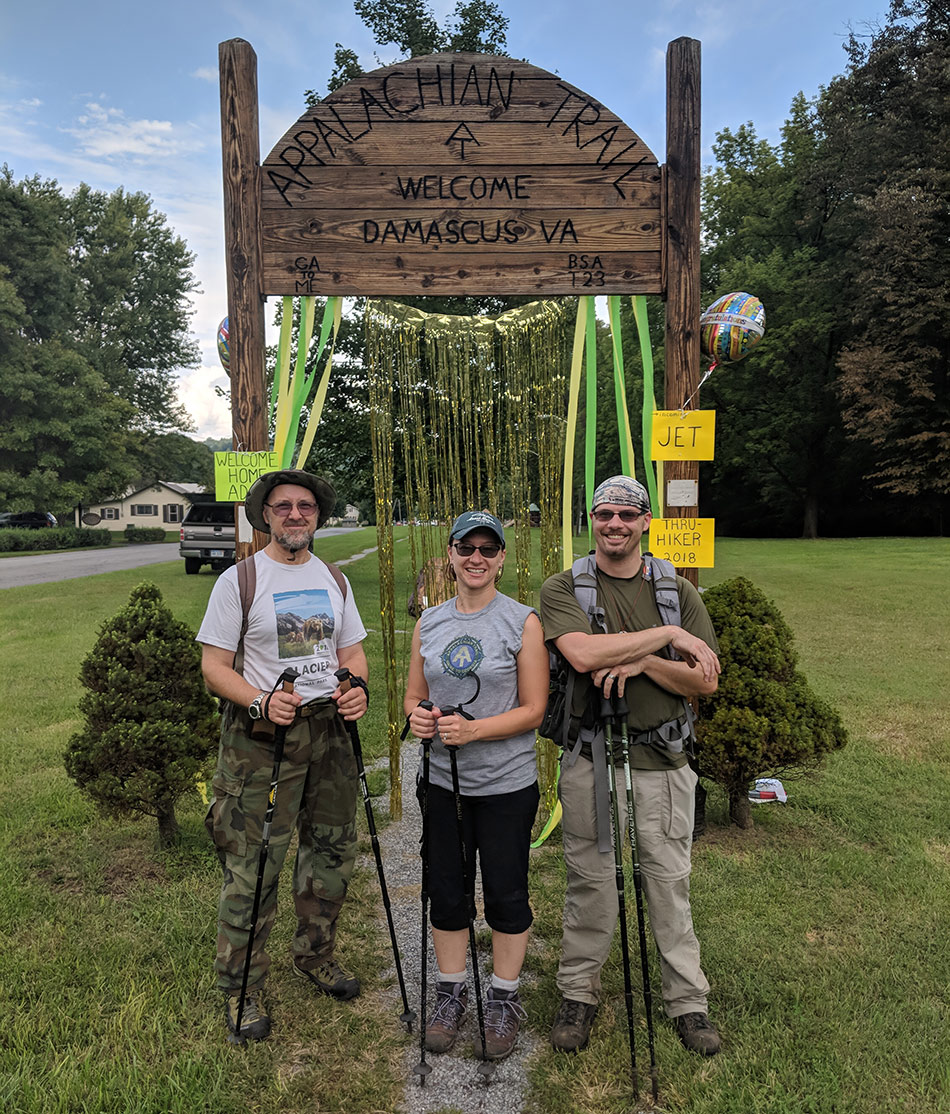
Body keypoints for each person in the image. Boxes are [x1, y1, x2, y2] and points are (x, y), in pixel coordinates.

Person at [538, 476, 723, 1056]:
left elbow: (705, 681)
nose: (613, 524)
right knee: (589, 884)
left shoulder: (677, 590)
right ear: (591, 520)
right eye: (602, 513)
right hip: (592, 758)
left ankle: (689, 1004)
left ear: (646, 522)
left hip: (663, 760)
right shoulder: (563, 586)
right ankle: (578, 994)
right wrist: (664, 640)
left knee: (669, 884)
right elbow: (582, 654)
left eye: (625, 514)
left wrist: (640, 661)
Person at [198, 469, 369, 1042]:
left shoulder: (335, 581)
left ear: (318, 515)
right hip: (261, 738)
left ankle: (315, 955)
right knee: (255, 863)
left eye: (306, 506)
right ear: (265, 515)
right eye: (283, 507)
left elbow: (352, 652)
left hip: (329, 734)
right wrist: (260, 701)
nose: (295, 515)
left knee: (331, 850)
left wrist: (357, 689)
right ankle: (241, 985)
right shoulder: (239, 581)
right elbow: (215, 667)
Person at [404, 511, 548, 1061]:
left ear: (502, 558)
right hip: (443, 783)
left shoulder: (521, 622)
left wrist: (475, 729)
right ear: (451, 554)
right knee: (447, 889)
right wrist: (419, 717)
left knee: (507, 892)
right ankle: (450, 992)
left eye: (489, 549)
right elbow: (415, 696)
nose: (477, 558)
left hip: (506, 784)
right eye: (467, 547)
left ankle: (504, 998)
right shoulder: (430, 621)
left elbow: (534, 710)